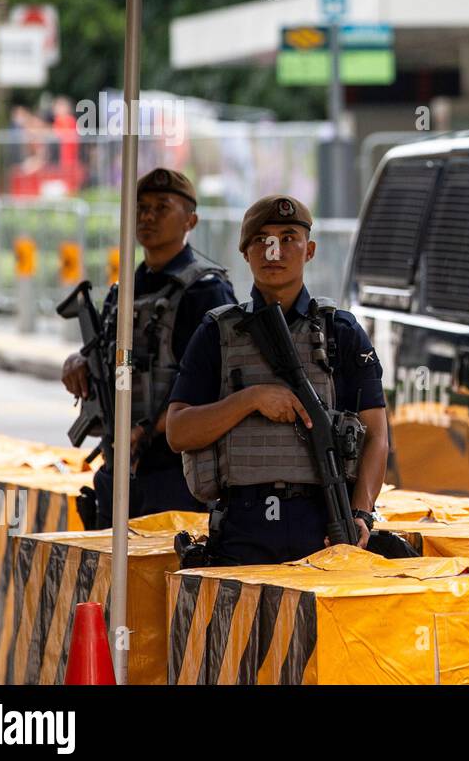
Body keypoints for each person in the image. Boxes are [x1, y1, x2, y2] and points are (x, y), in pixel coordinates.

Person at [165, 195, 402, 565]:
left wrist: (360, 514)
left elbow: (376, 435)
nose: (273, 249)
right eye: (261, 239)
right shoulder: (217, 332)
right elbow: (178, 431)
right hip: (242, 525)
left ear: (310, 250)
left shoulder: (341, 332)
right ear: (245, 252)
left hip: (323, 522)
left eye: (288, 237)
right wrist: (250, 399)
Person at [61, 167, 236, 527]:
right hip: (120, 467)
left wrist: (148, 430)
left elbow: (213, 381)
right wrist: (80, 360)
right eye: (141, 208)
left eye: (161, 207)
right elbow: (112, 357)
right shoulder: (124, 288)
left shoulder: (205, 290)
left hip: (179, 475)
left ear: (191, 220)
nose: (148, 217)